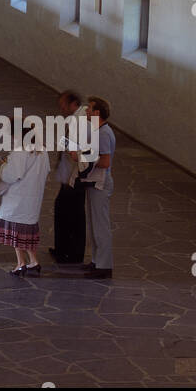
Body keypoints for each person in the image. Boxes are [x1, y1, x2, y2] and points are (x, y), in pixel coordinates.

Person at [0, 137, 51, 276]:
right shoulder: (42, 150)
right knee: (26, 233)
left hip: (18, 197)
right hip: (33, 197)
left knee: (17, 232)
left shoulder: (21, 151)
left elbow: (13, 175)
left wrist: (3, 166)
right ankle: (33, 261)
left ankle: (21, 263)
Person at [48, 90, 85, 263]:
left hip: (74, 176)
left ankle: (71, 253)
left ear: (73, 103)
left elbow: (78, 149)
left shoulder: (79, 121)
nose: (61, 108)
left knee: (72, 213)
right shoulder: (74, 120)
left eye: (63, 104)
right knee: (65, 211)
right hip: (69, 175)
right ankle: (64, 249)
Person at [82, 97, 115, 279]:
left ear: (97, 113)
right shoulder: (99, 131)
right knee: (94, 223)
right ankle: (96, 261)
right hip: (95, 182)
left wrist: (83, 160)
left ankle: (104, 266)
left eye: (89, 109)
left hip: (100, 182)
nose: (86, 111)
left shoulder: (103, 133)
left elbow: (105, 161)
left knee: (100, 225)